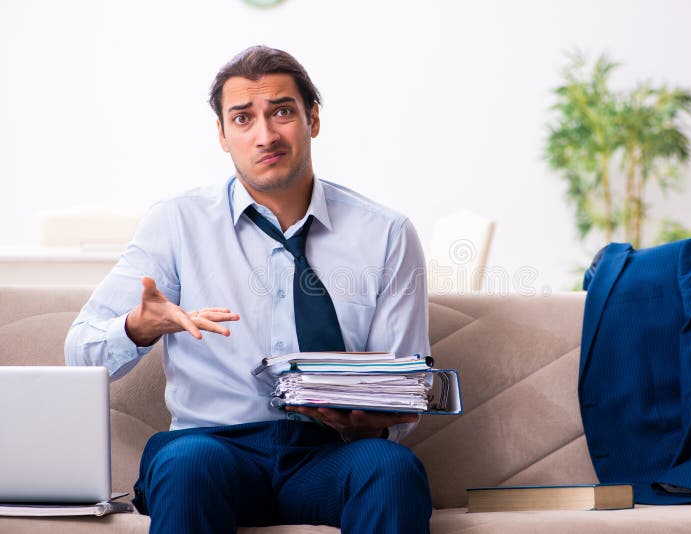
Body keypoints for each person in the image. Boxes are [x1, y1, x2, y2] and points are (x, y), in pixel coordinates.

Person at [65, 45, 433, 534]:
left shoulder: (386, 233)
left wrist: (372, 419)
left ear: (313, 120)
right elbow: (80, 354)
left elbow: (406, 387)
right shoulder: (176, 223)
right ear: (222, 135)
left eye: (282, 111)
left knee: (389, 468)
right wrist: (137, 328)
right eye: (242, 119)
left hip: (326, 456)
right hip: (214, 449)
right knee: (187, 463)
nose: (265, 135)